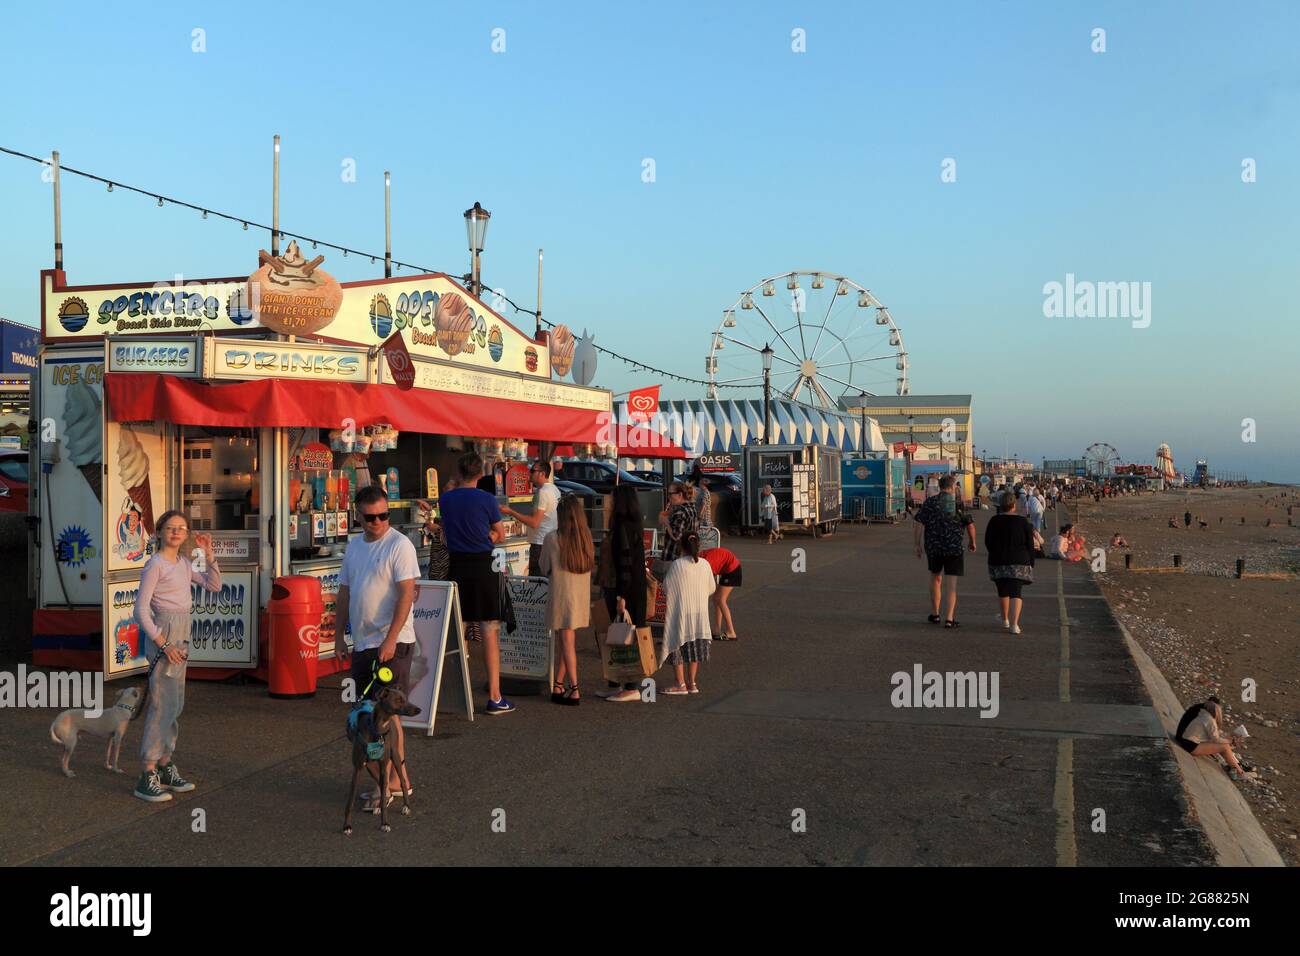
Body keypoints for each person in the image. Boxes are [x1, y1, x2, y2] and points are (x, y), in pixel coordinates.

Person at [336, 485, 421, 809]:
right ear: (358, 516)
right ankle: (390, 781)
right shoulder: (355, 547)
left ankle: (395, 781)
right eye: (371, 518)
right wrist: (339, 636)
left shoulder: (399, 545)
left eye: (384, 516)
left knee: (390, 713)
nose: (378, 522)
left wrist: (390, 639)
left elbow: (405, 594)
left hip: (393, 643)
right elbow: (345, 592)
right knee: (370, 714)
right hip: (363, 642)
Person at [132, 510, 221, 802]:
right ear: (158, 532)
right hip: (166, 633)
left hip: (182, 632)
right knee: (161, 704)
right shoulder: (155, 564)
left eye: (181, 528)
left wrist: (209, 555)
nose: (176, 532)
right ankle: (147, 773)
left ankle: (164, 763)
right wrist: (162, 643)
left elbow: (213, 585)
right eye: (170, 527)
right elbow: (141, 610)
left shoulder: (183, 563)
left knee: (175, 702)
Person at [439, 452, 514, 715]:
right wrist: (487, 536)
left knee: (458, 633)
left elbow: (447, 536)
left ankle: (454, 691)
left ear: (458, 473)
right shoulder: (487, 499)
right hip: (484, 566)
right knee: (489, 631)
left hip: (457, 566)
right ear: (481, 474)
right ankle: (495, 696)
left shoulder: (446, 499)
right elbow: (500, 535)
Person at [540, 495, 593, 706]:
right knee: (567, 640)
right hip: (580, 597)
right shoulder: (585, 537)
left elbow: (544, 566)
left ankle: (575, 688)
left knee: (566, 641)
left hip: (562, 596)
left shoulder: (553, 538)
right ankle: (558, 684)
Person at [599, 484, 648, 703]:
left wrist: (621, 596)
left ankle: (630, 685)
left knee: (624, 635)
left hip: (625, 587)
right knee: (622, 634)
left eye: (612, 496)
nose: (608, 499)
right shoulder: (634, 523)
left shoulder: (621, 525)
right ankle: (618, 682)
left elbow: (624, 562)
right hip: (634, 586)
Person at [913, 474, 977, 628]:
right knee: (951, 584)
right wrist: (972, 541)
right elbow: (969, 524)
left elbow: (919, 524)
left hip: (934, 547)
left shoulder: (929, 503)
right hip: (953, 548)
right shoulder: (958, 504)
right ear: (953, 486)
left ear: (940, 486)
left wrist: (917, 544)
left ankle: (935, 614)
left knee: (935, 578)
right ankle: (949, 618)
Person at [659, 531, 715, 695]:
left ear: (681, 546)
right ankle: (692, 683)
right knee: (694, 648)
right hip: (699, 613)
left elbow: (667, 586)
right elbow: (711, 588)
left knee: (677, 645)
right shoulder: (705, 564)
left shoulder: (677, 565)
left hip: (681, 612)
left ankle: (680, 683)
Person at [984, 490, 1034, 635]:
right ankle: (1014, 624)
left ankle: (1005, 619)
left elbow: (988, 541)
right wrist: (1031, 561)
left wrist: (994, 553)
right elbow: (1030, 544)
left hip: (998, 561)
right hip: (1019, 561)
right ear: (1014, 504)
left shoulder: (994, 521)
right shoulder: (1023, 521)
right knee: (1016, 593)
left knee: (1002, 591)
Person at [502, 460, 560, 576]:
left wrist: (511, 512)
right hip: (549, 540)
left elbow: (534, 522)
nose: (529, 473)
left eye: (533, 471)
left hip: (540, 543)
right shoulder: (554, 489)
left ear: (542, 473)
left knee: (537, 581)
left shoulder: (543, 492)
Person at [1174, 698, 1252, 780]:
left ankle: (1235, 767)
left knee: (1224, 746)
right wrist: (1231, 741)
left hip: (1187, 740)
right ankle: (1240, 773)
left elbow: (1214, 736)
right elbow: (1216, 739)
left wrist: (1231, 736)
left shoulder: (1203, 713)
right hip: (1190, 745)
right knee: (1224, 747)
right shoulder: (1209, 720)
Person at [702, 546, 742, 640]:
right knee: (716, 598)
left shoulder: (707, 562)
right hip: (728, 569)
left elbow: (709, 582)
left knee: (721, 599)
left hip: (733, 570)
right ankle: (717, 629)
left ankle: (731, 632)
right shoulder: (702, 557)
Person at [659, 481, 698, 567]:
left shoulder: (680, 511)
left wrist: (666, 522)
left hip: (675, 558)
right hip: (689, 557)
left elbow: (676, 535)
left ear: (680, 495)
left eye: (670, 494)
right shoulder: (692, 508)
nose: (668, 497)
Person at [687, 463, 714, 533]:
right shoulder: (702, 491)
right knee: (704, 529)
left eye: (699, 483)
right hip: (706, 514)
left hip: (704, 515)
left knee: (704, 529)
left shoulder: (704, 492)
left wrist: (700, 514)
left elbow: (704, 504)